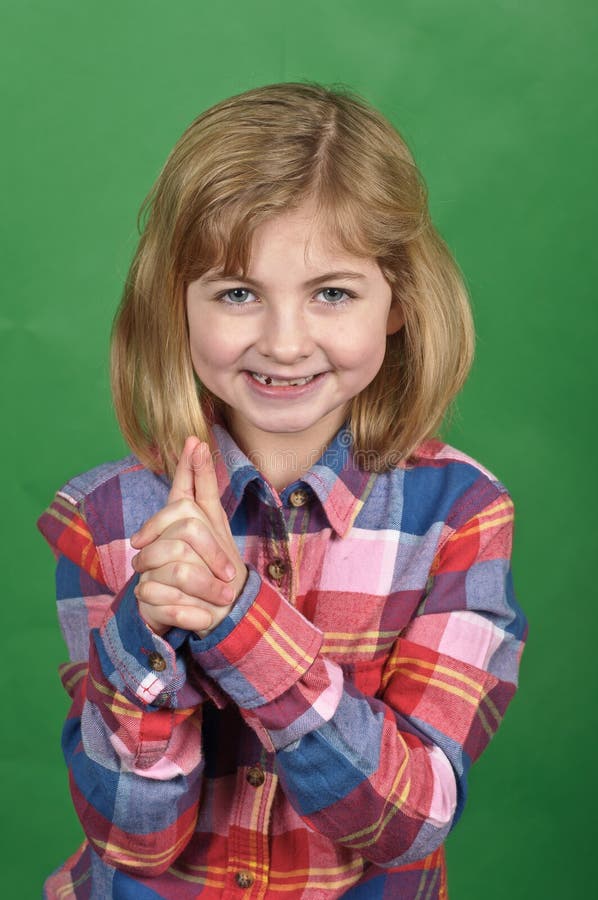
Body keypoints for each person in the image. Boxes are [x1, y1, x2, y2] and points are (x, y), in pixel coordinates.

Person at [38, 82, 527, 899]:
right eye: (237, 293)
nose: (286, 342)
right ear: (178, 305)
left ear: (398, 301)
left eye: (332, 292)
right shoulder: (107, 521)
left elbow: (410, 820)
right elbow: (133, 840)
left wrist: (236, 622)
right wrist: (146, 639)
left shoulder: (463, 517)